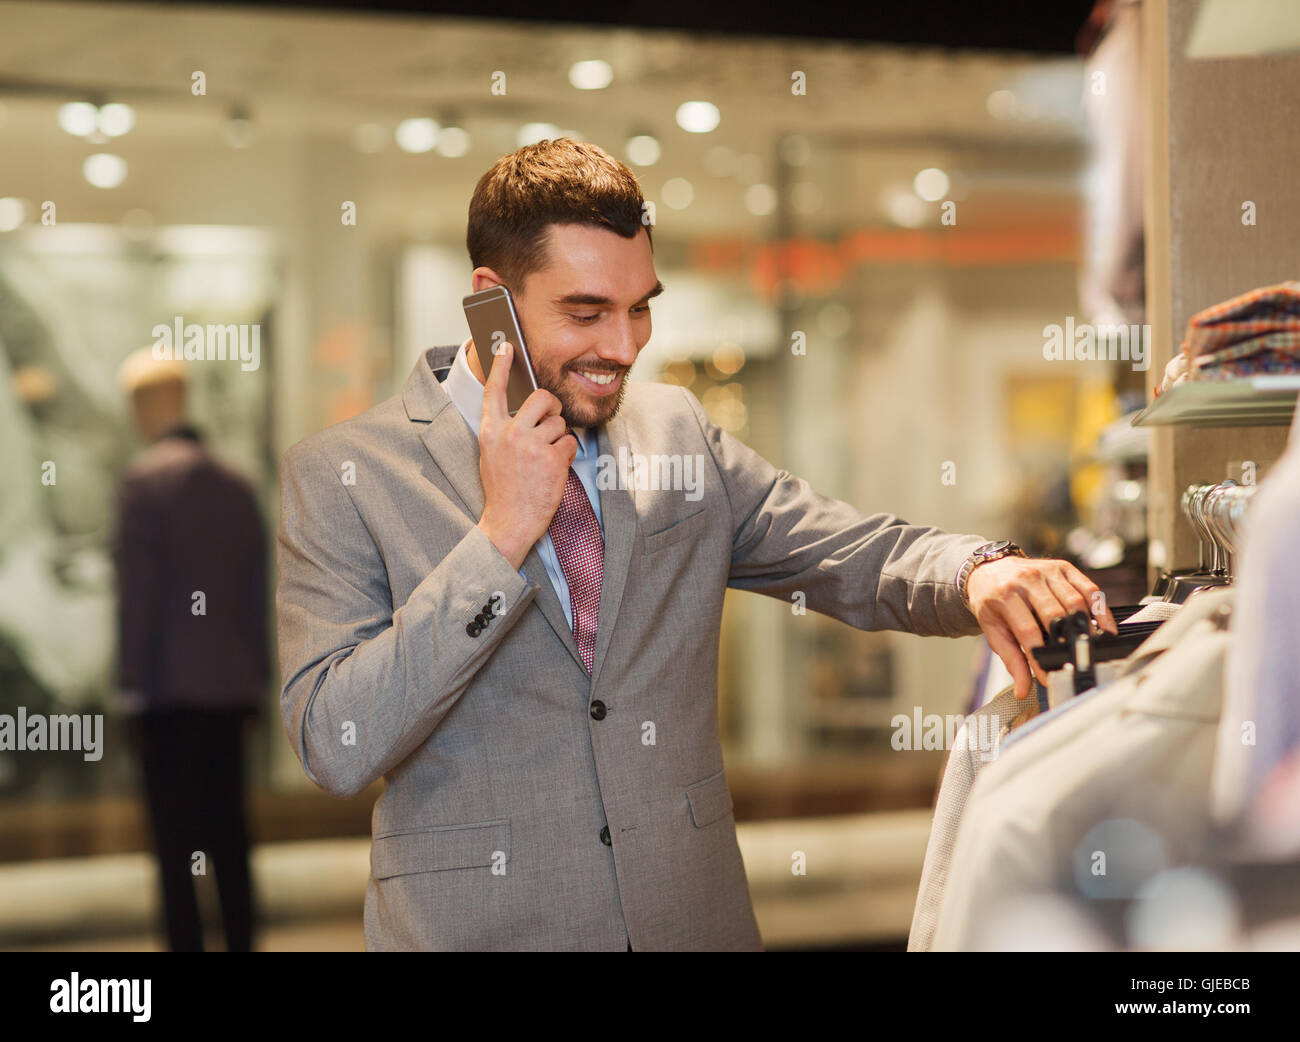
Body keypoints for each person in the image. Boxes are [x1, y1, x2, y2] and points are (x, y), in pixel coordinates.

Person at [276, 138, 1117, 951]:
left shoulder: (675, 430)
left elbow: (843, 547)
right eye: (586, 312)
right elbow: (335, 740)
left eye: (640, 306)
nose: (624, 345)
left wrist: (977, 569)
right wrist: (500, 537)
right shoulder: (347, 473)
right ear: (490, 300)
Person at [114, 350, 268, 952]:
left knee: (176, 848)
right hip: (231, 692)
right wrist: (258, 678)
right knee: (231, 837)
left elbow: (140, 601)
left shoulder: (143, 483)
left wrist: (129, 685)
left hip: (167, 695)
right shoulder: (236, 485)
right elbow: (256, 596)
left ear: (146, 405)